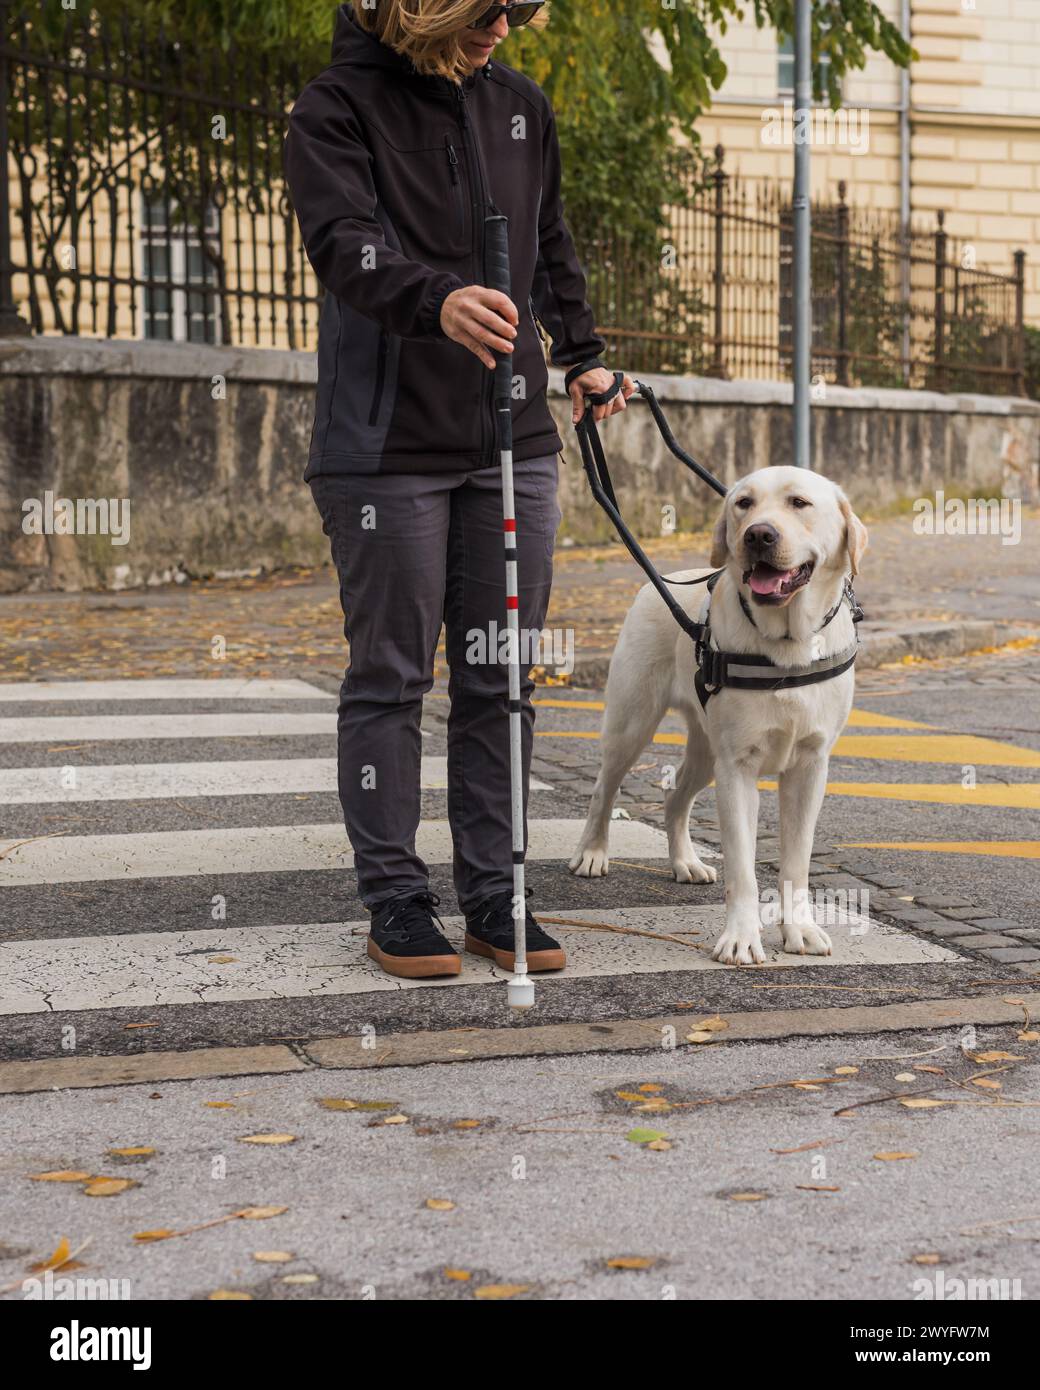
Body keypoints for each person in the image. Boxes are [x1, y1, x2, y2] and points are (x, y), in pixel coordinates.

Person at [284, 0, 634, 980]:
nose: (506, 29)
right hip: (386, 444)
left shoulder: (518, 107)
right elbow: (342, 244)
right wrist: (432, 297)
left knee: (500, 678)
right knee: (393, 679)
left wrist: (583, 358)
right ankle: (395, 896)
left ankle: (493, 891)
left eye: (519, 10)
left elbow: (547, 242)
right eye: (489, 10)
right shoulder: (334, 107)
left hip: (512, 440)